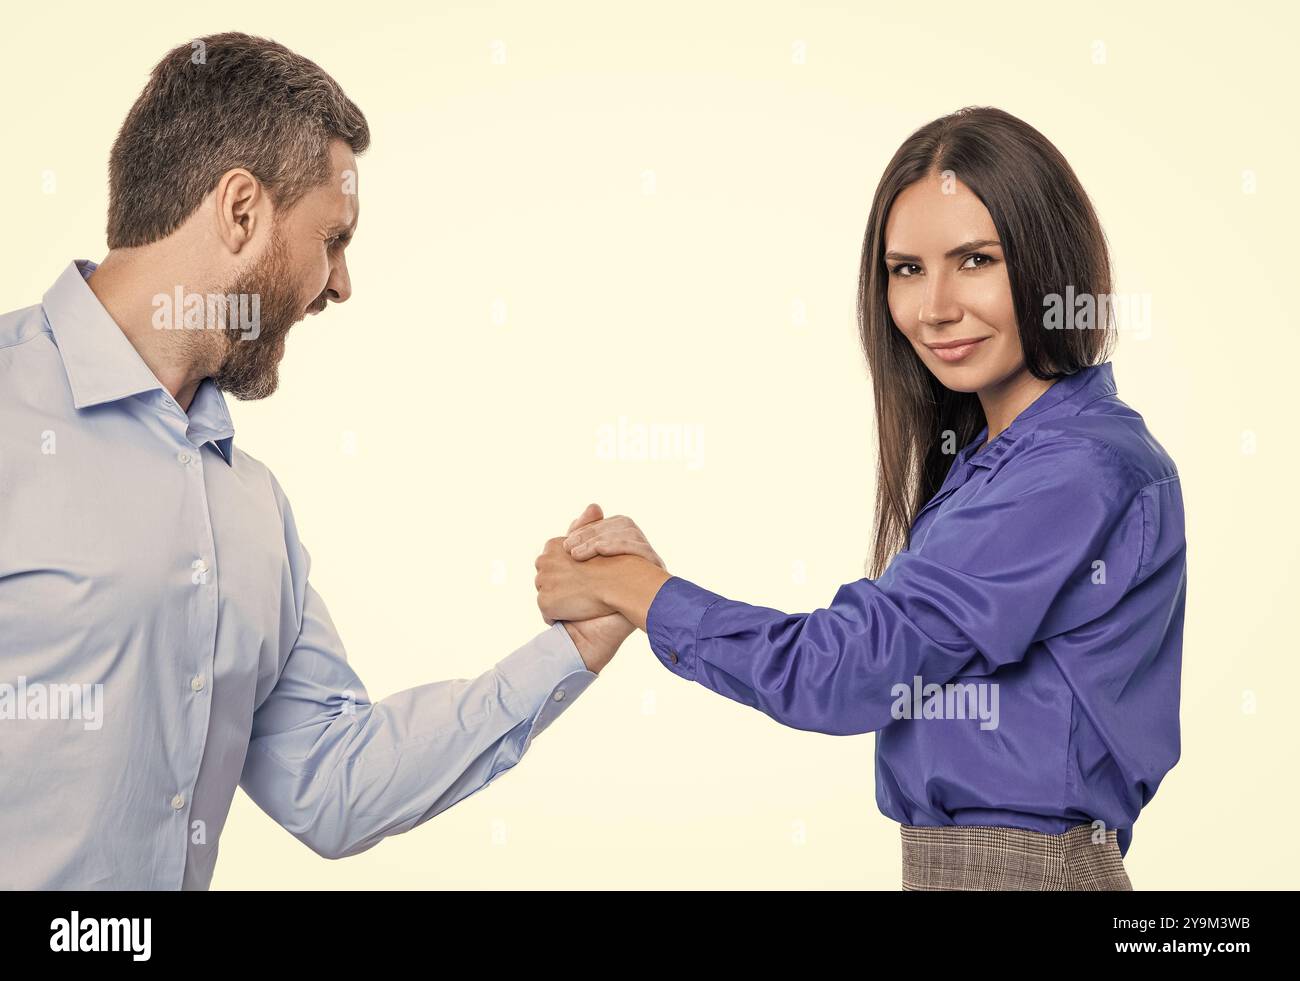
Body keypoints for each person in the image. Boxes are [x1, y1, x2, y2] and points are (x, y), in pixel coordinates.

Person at [0, 32, 634, 889]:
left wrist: (573, 648)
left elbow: (335, 779)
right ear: (240, 210)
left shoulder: (251, 509)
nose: (339, 284)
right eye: (332, 238)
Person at [534, 107, 1186, 891]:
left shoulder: (1075, 467)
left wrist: (642, 593)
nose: (934, 306)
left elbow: (846, 669)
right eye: (906, 269)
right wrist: (641, 588)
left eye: (975, 260)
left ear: (1051, 264)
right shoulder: (994, 461)